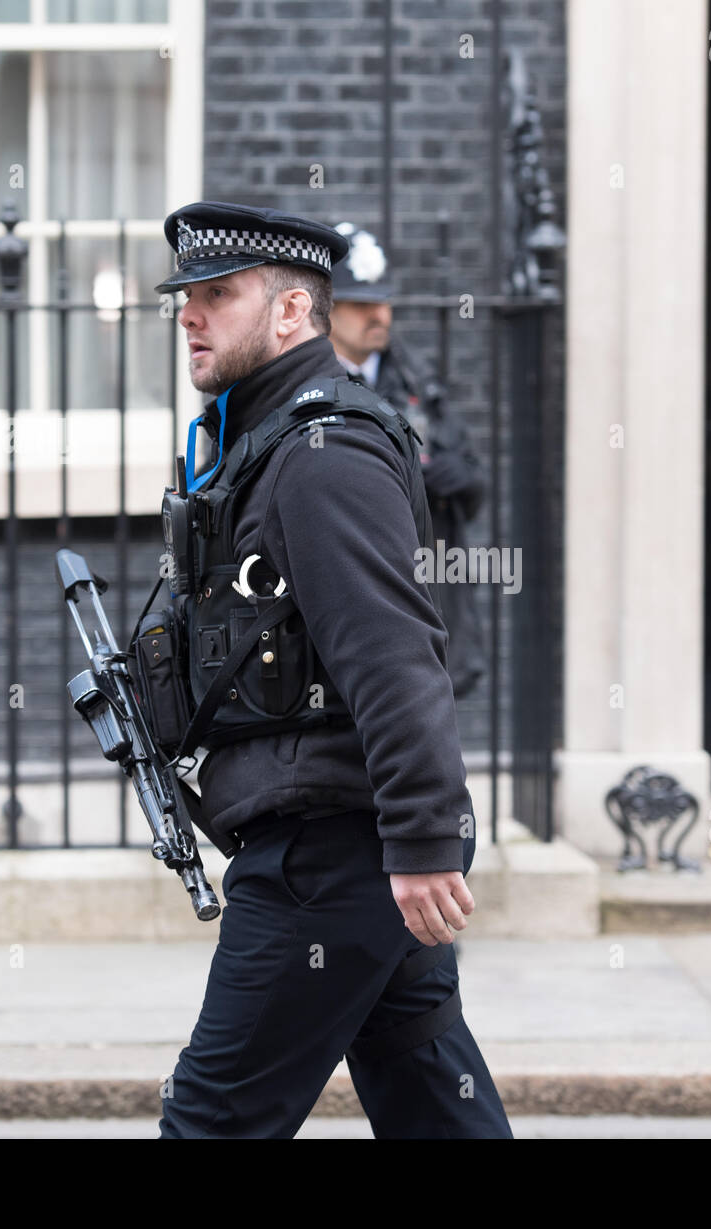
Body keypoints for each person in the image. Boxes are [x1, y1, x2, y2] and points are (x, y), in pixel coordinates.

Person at [150, 200, 511, 1140]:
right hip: (348, 842)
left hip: (331, 851)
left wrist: (425, 834)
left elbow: (393, 653)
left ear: (291, 313)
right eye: (186, 296)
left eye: (216, 295)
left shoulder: (322, 452)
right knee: (432, 1096)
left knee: (212, 1120)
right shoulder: (264, 441)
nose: (189, 314)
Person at [328, 221, 488, 701]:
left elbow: (473, 485)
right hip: (349, 608)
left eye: (384, 301)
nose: (378, 314)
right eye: (361, 304)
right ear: (327, 309)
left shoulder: (419, 380)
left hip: (426, 603)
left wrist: (462, 480)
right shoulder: (310, 389)